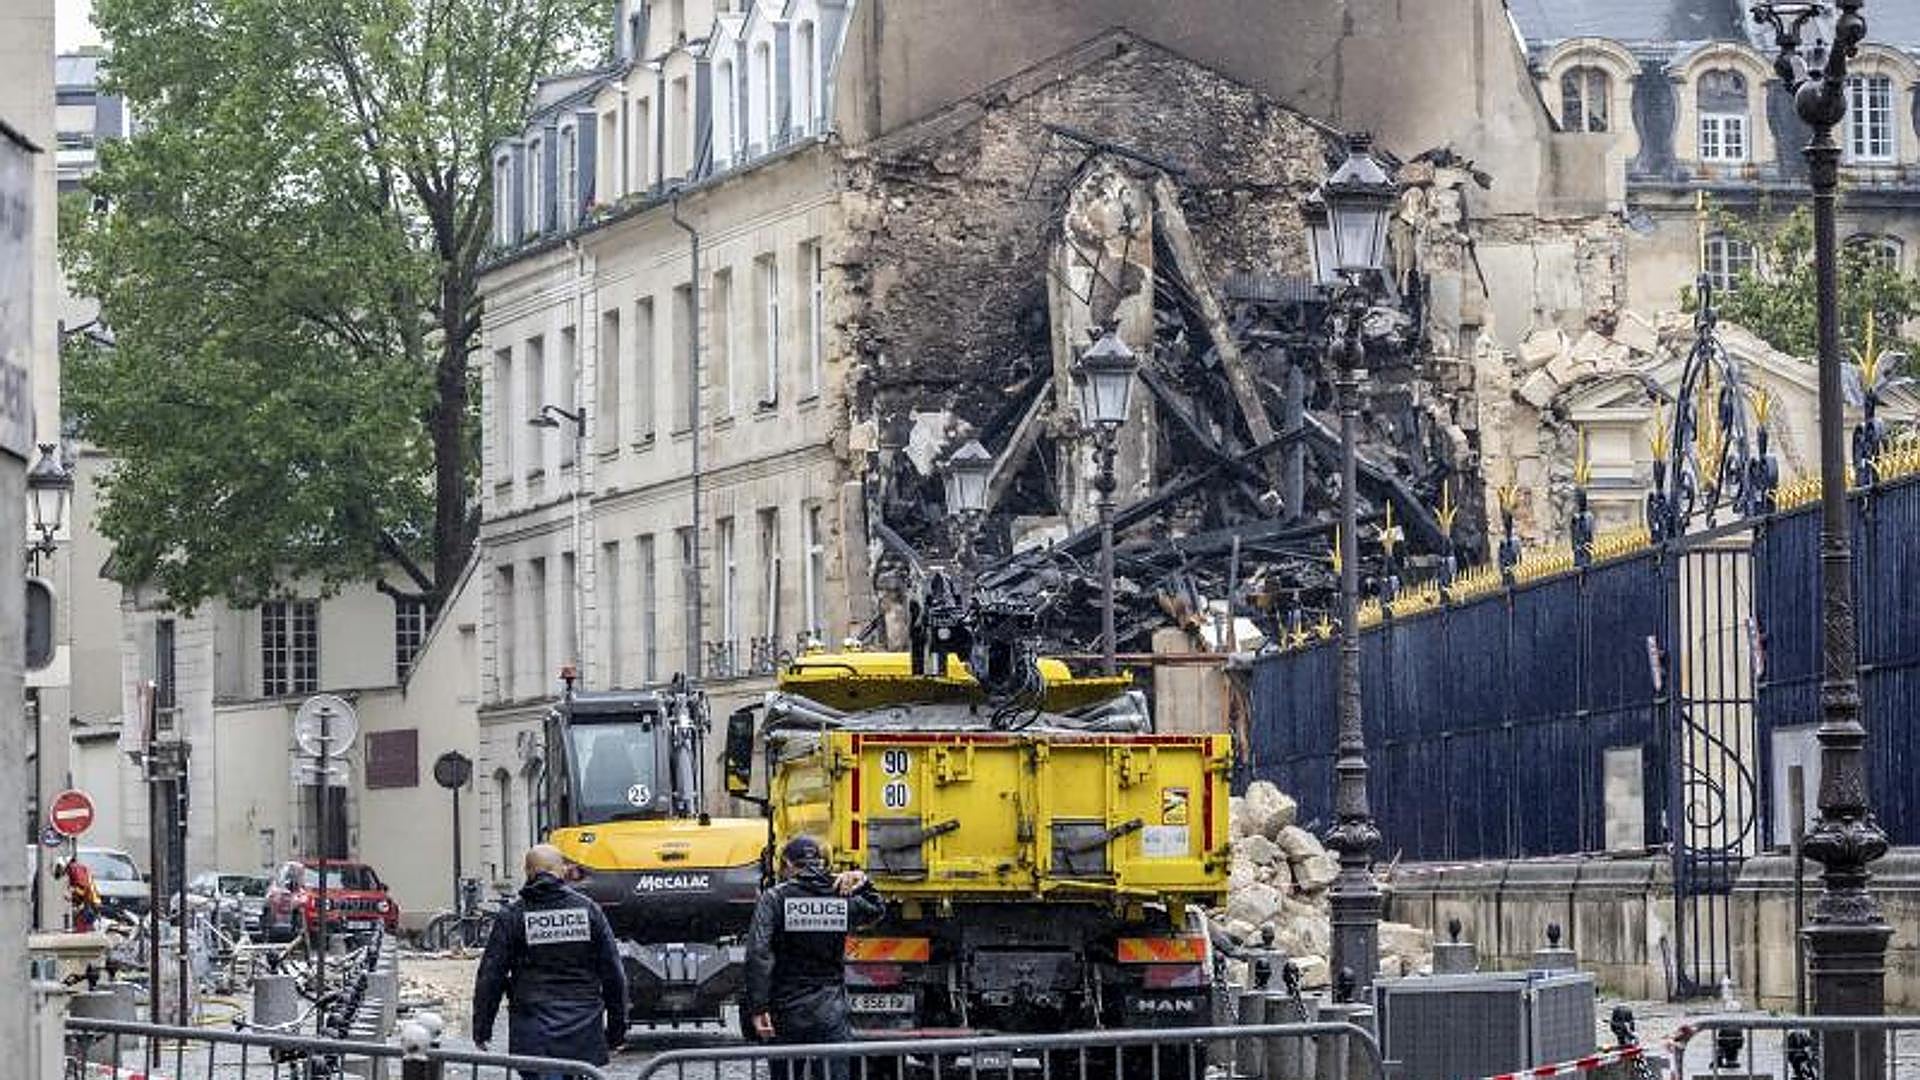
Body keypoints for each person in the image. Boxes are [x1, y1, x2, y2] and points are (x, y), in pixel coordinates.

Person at [472, 845, 628, 1080]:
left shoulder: (513, 915)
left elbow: (491, 976)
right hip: (583, 1027)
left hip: (532, 1029)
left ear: (528, 872)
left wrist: (482, 1029)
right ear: (561, 870)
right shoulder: (588, 910)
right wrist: (617, 1030)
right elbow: (613, 974)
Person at [744, 835, 885, 1080]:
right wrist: (861, 880)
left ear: (788, 864)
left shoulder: (775, 899)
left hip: (786, 1010)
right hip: (831, 1010)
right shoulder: (839, 895)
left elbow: (758, 954)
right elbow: (876, 909)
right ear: (821, 862)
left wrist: (758, 1007)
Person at [54, 856, 102, 933]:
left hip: (90, 902)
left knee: (84, 928)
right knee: (84, 927)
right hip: (89, 902)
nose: (62, 873)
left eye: (60, 869)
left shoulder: (75, 869)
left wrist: (72, 893)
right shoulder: (74, 869)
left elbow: (83, 888)